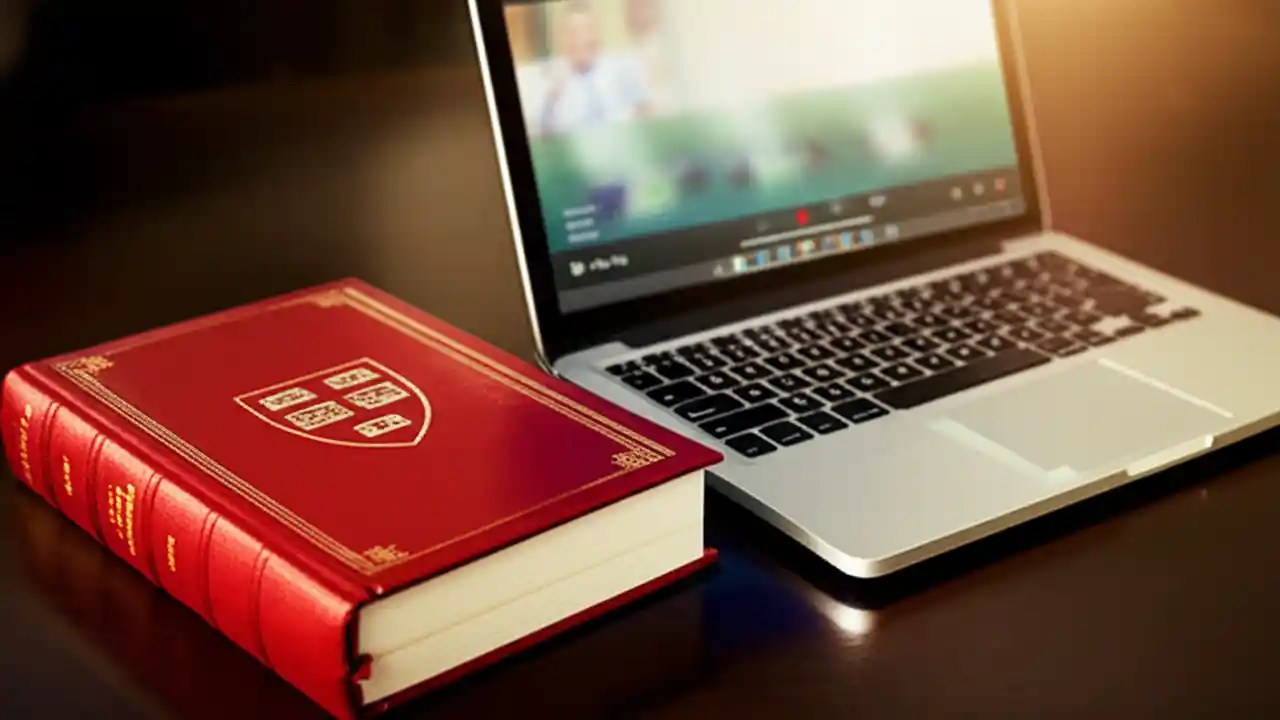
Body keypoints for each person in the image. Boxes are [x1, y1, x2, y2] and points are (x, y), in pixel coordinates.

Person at [539, 3, 649, 136]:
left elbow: (645, 112)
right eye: (572, 32)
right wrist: (553, 97)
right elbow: (546, 134)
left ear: (596, 34)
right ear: (563, 38)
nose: (580, 38)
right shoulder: (555, 84)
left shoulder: (621, 69)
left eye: (586, 30)